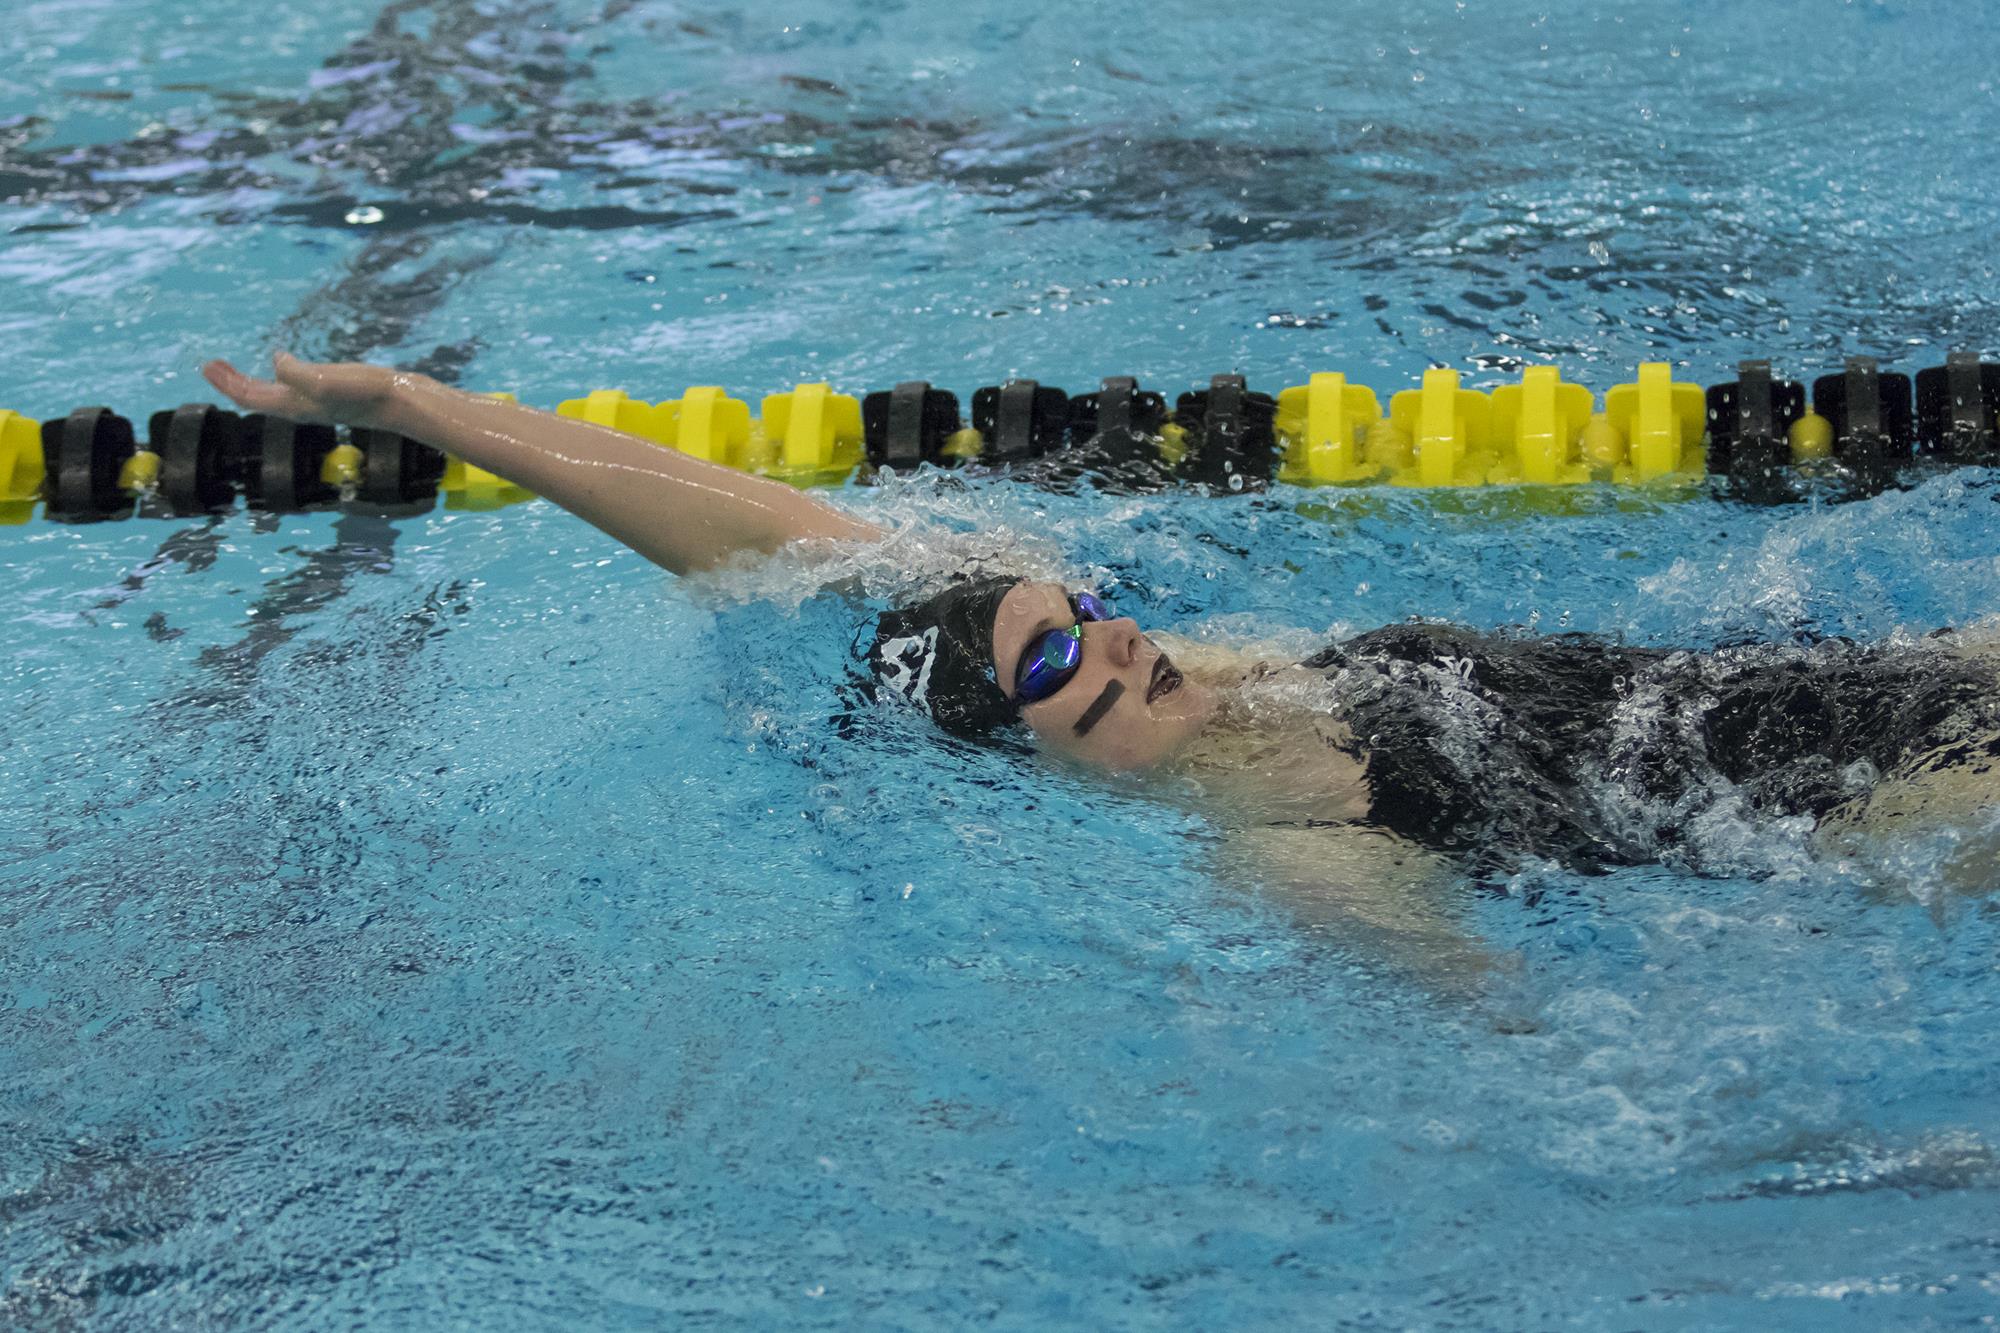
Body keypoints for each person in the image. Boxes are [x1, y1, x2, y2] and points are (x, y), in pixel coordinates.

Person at [203, 355, 2000, 907]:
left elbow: (772, 542)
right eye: (1060, 673)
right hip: (1830, 830)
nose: (1121, 650)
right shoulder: (1299, 857)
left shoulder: (1222, 659)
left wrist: (432, 415)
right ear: (1036, 761)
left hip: (1762, 689)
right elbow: (1553, 1076)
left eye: (1089, 620)